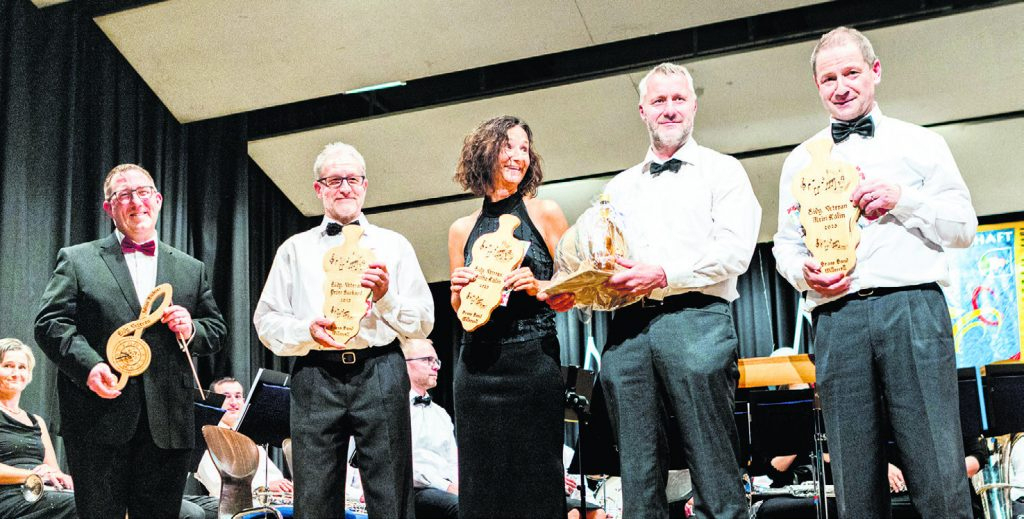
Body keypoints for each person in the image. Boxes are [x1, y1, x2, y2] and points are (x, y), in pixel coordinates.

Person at [772, 26, 977, 518]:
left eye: (851, 73)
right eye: (829, 78)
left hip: (912, 307)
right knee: (854, 475)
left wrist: (904, 200)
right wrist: (803, 272)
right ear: (817, 86)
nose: (840, 86)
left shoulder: (922, 143)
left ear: (875, 72)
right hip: (837, 317)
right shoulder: (800, 160)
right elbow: (785, 245)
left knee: (938, 466)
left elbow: (964, 227)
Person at [598, 62, 761, 518]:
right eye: (658, 100)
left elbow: (734, 252)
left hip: (697, 319)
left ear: (693, 106)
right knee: (637, 473)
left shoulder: (723, 171)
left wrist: (664, 273)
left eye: (678, 99)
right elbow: (604, 259)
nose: (669, 109)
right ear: (642, 111)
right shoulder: (619, 187)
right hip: (628, 328)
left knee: (712, 461)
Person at [35, 163, 228, 519]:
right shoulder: (77, 259)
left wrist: (191, 328)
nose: (136, 201)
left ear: (158, 200)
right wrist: (89, 367)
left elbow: (215, 329)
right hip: (98, 418)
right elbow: (50, 323)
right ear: (108, 208)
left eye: (142, 192)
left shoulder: (191, 267)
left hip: (168, 423)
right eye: (123, 195)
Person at [254, 142, 434, 518]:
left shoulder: (394, 245)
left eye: (353, 179)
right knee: (314, 497)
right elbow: (266, 322)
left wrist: (386, 298)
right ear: (318, 189)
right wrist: (306, 330)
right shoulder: (294, 249)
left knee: (391, 494)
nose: (345, 188)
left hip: (381, 368)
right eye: (335, 180)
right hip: (315, 373)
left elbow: (424, 321)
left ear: (365, 185)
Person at [448, 115, 574, 518]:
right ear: (484, 152)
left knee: (537, 479)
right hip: (476, 366)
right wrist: (458, 290)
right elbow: (460, 309)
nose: (519, 156)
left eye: (525, 148)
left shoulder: (546, 213)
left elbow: (574, 289)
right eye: (508, 147)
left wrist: (540, 286)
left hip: (533, 361)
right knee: (481, 484)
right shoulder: (461, 228)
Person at [0, 338, 75, 519]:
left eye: (22, 367)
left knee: (97, 502)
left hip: (42, 492)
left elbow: (53, 470)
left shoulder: (37, 421)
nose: (16, 373)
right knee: (78, 506)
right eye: (8, 366)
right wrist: (31, 475)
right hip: (8, 495)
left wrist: (64, 478)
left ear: (29, 374)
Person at [194, 377, 292, 502]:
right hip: (230, 505)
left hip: (267, 502)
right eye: (226, 396)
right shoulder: (205, 437)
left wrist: (285, 488)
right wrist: (265, 488)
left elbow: (275, 477)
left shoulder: (248, 436)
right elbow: (219, 487)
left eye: (238, 396)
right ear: (214, 402)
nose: (234, 402)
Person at [402, 338, 458, 519]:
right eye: (427, 360)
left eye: (436, 361)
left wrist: (460, 487)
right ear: (405, 364)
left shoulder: (441, 414)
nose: (436, 367)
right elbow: (407, 465)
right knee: (459, 508)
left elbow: (453, 460)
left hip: (446, 489)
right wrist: (447, 487)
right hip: (414, 490)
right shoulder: (396, 409)